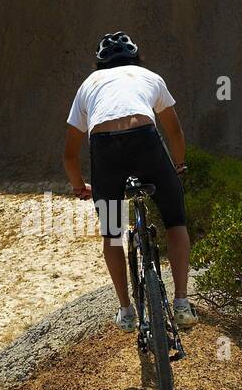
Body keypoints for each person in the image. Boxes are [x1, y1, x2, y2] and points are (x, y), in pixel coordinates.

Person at [62, 31, 198, 332]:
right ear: (136, 57)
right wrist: (176, 167)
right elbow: (175, 133)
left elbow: (69, 156)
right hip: (145, 140)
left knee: (112, 233)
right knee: (176, 223)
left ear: (100, 64)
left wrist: (80, 186)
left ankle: (125, 311)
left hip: (105, 149)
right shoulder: (150, 77)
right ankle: (181, 303)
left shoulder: (88, 85)